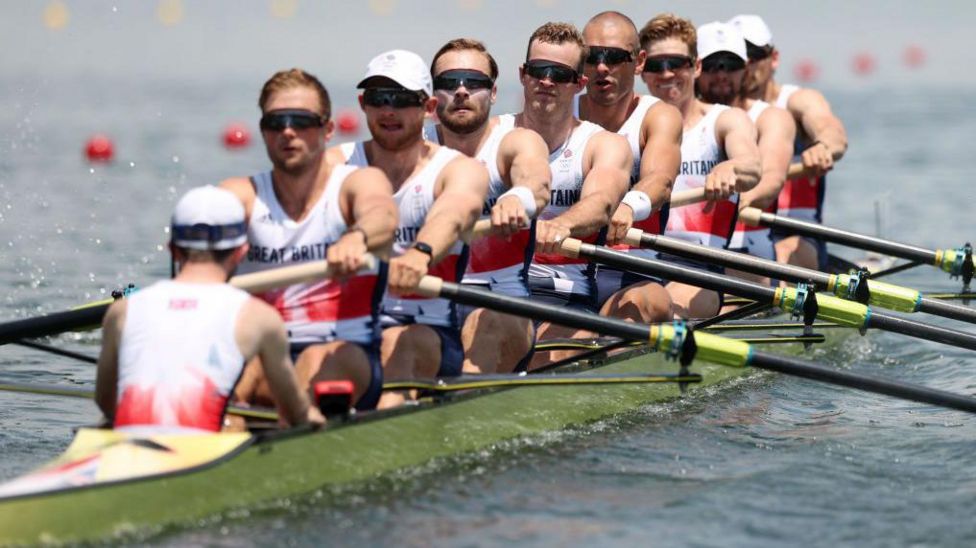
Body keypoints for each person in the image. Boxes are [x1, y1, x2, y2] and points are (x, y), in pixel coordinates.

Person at [222, 69, 398, 412]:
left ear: (328, 130)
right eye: (276, 122)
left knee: (313, 361)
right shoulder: (240, 195)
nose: (288, 131)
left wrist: (357, 238)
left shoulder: (356, 184)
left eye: (301, 121)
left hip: (345, 350)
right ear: (263, 131)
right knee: (241, 373)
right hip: (262, 353)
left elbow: (382, 215)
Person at [328, 50, 488, 407]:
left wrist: (422, 252)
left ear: (429, 107)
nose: (388, 110)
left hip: (429, 330)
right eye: (378, 99)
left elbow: (454, 212)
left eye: (402, 99)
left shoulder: (458, 170)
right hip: (345, 330)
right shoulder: (334, 165)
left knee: (401, 342)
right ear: (362, 104)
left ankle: (378, 437)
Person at [95, 186, 322, 433]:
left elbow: (106, 403)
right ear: (241, 252)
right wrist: (314, 416)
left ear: (172, 249)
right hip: (199, 453)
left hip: (128, 453)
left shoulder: (123, 311)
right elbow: (294, 413)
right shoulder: (259, 318)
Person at [504, 22, 632, 367]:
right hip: (493, 291)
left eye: (559, 74)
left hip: (564, 295)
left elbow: (602, 202)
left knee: (555, 349)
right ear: (522, 74)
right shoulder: (493, 136)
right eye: (538, 70)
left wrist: (561, 226)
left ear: (579, 84)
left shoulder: (602, 145)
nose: (546, 81)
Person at [427, 38, 552, 374]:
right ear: (431, 96)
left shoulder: (515, 141)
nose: (462, 91)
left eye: (474, 82)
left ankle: (460, 401)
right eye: (449, 82)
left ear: (493, 93)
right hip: (427, 303)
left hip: (502, 304)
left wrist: (517, 197)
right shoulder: (416, 152)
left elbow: (536, 183)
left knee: (487, 322)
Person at [638, 13, 761, 318]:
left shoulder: (724, 121)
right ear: (642, 70)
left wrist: (729, 169)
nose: (666, 74)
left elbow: (751, 165)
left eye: (676, 64)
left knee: (658, 308)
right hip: (633, 264)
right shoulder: (630, 124)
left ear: (695, 66)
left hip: (697, 270)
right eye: (656, 65)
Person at [578, 11, 682, 323]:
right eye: (591, 56)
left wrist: (628, 205)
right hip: (565, 267)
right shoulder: (558, 114)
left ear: (638, 63)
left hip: (632, 268)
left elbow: (660, 181)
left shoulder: (657, 116)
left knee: (646, 303)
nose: (601, 67)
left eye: (614, 57)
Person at [729, 14, 848, 271]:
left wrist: (823, 147)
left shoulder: (796, 101)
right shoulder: (722, 113)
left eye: (755, 54)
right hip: (736, 233)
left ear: (774, 58)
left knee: (779, 253)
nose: (747, 64)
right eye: (738, 57)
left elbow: (831, 130)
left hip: (795, 235)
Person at [695, 21, 796, 287]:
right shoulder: (671, 119)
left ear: (745, 69)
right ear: (695, 68)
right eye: (712, 65)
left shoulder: (771, 117)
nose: (721, 74)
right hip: (684, 249)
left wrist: (719, 204)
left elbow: (770, 179)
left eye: (731, 65)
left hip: (747, 251)